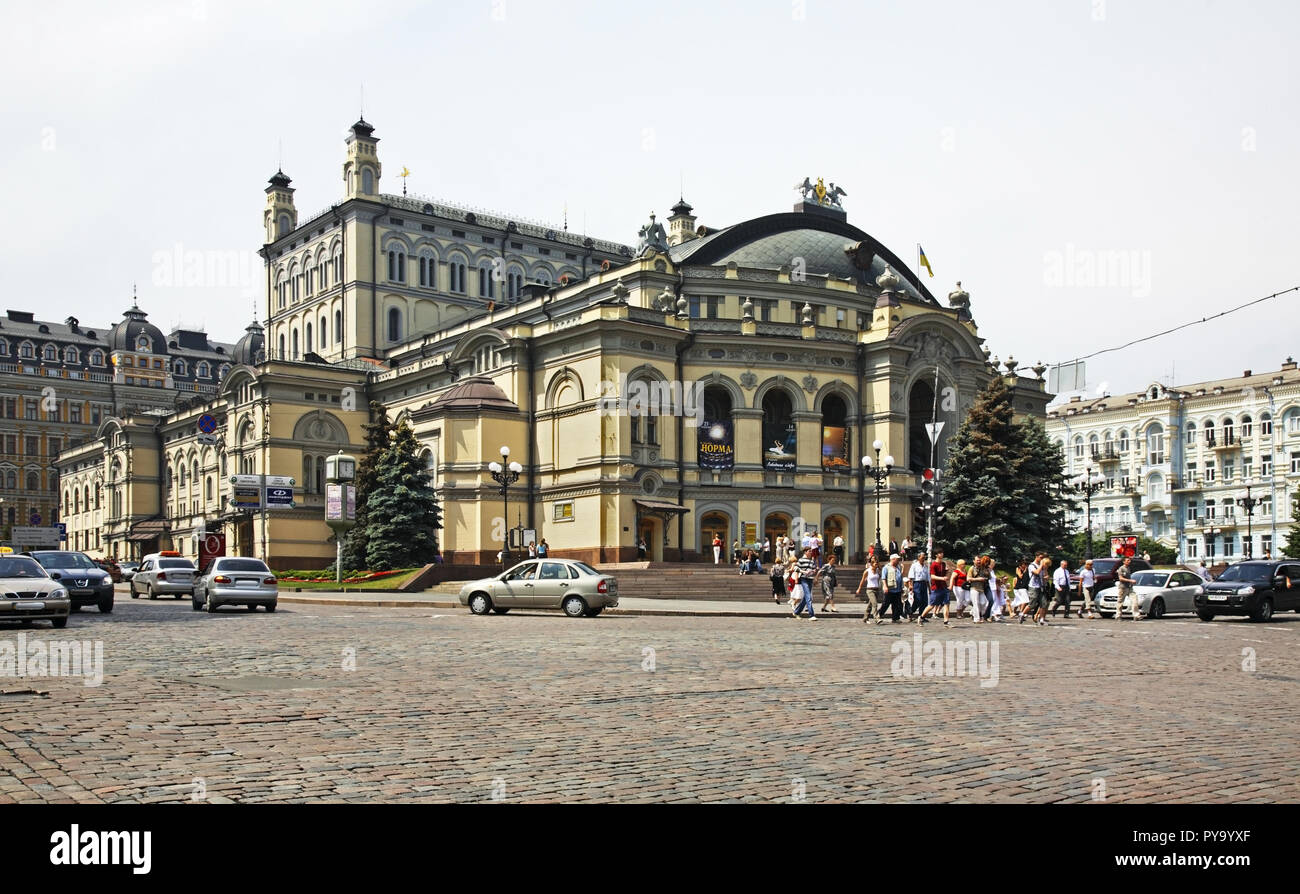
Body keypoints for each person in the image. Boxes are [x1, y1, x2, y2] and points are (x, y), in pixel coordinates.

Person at [918, 549, 952, 626]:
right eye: (940, 553)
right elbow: (932, 576)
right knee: (931, 605)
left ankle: (946, 621)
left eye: (942, 553)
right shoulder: (934, 565)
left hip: (944, 587)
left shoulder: (943, 564)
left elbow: (945, 575)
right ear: (936, 555)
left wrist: (947, 571)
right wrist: (942, 578)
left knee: (947, 603)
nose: (942, 554)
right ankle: (921, 617)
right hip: (936, 588)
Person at [791, 547, 818, 620]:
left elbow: (814, 568)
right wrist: (804, 572)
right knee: (808, 596)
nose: (810, 553)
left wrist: (814, 571)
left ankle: (796, 612)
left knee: (806, 598)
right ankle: (811, 615)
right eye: (809, 551)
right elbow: (795, 568)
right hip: (804, 579)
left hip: (810, 579)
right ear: (805, 552)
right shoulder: (801, 560)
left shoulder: (811, 561)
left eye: (811, 551)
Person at [855, 557, 884, 624]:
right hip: (870, 590)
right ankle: (877, 618)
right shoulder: (867, 571)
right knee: (875, 604)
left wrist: (878, 567)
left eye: (877, 563)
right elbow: (862, 580)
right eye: (875, 564)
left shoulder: (877, 570)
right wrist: (859, 588)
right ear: (872, 564)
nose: (876, 565)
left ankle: (865, 618)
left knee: (870, 605)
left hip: (876, 589)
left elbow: (881, 574)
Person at [880, 554, 906, 622]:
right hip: (890, 589)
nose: (898, 561)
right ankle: (879, 615)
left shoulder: (898, 567)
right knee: (886, 604)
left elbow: (900, 577)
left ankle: (895, 618)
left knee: (896, 604)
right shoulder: (886, 567)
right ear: (893, 559)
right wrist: (885, 586)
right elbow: (883, 578)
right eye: (897, 559)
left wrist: (902, 587)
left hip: (897, 589)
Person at [1115, 556, 1141, 620]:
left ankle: (1136, 616)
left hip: (1129, 587)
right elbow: (1120, 578)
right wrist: (1130, 581)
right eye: (1127, 560)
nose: (1129, 561)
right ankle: (1118, 616)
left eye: (1129, 560)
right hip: (1123, 587)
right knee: (1120, 602)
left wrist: (1131, 582)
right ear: (1124, 561)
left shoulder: (1128, 568)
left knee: (1134, 600)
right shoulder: (1121, 568)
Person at [907, 552, 929, 619]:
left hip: (924, 584)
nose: (923, 559)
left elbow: (927, 578)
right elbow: (910, 576)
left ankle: (921, 616)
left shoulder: (925, 566)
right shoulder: (914, 565)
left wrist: (929, 589)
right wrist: (910, 585)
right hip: (917, 583)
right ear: (918, 558)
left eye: (924, 558)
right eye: (922, 558)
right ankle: (910, 611)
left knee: (925, 601)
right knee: (918, 599)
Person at [967, 556, 989, 623]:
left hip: (981, 588)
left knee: (984, 603)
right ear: (974, 561)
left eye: (979, 560)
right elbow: (968, 579)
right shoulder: (972, 568)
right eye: (977, 560)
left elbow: (988, 576)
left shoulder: (983, 568)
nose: (979, 562)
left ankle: (972, 612)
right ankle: (976, 619)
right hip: (974, 588)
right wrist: (978, 579)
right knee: (976, 603)